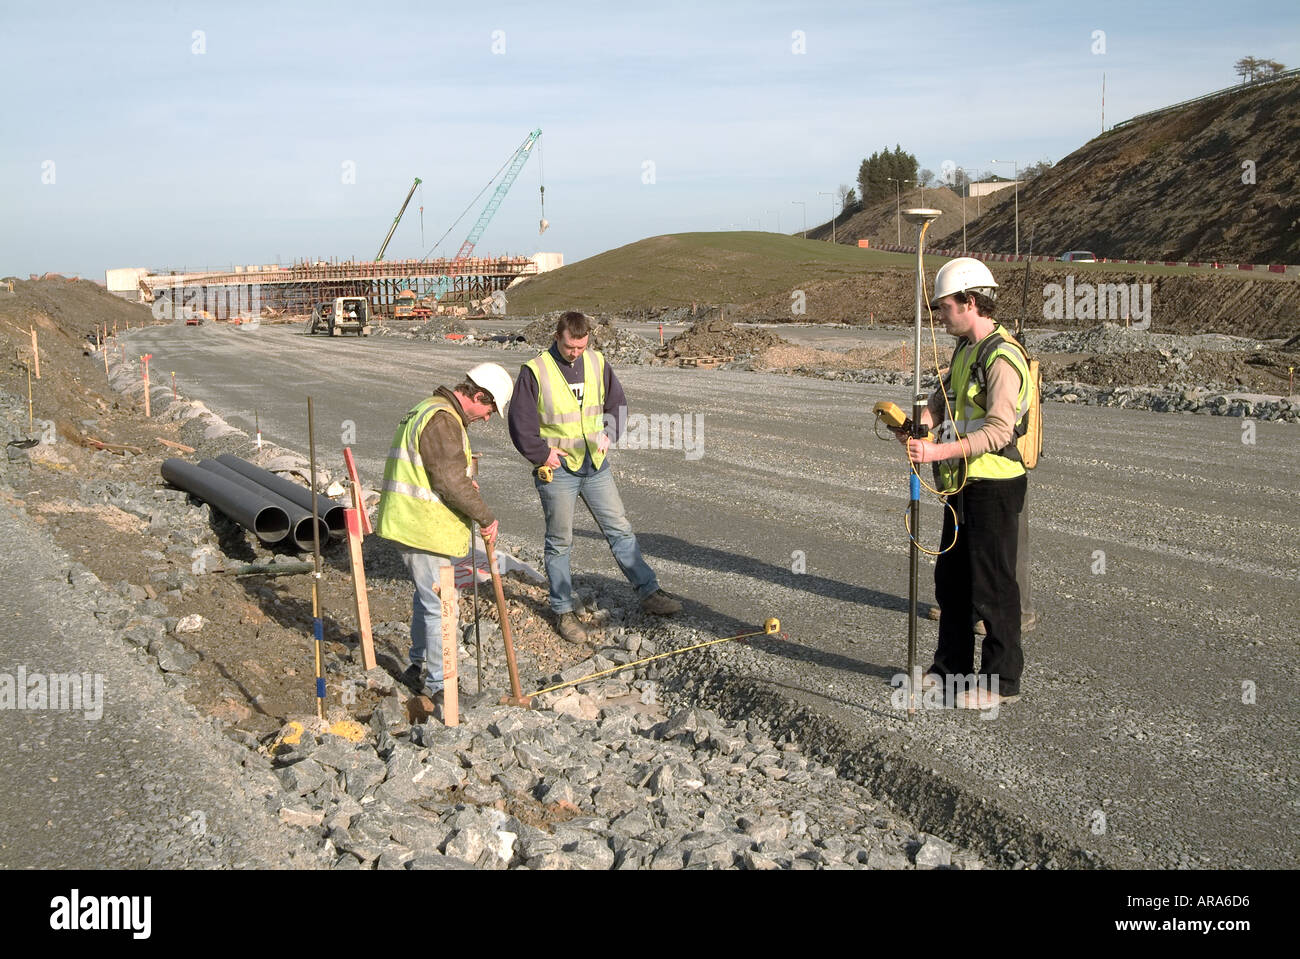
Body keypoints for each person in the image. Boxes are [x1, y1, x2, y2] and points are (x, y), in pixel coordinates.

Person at [900, 258, 1033, 710]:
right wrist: (920, 424)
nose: (939, 317)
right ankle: (950, 669)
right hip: (961, 484)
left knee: (992, 585)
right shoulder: (964, 351)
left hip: (994, 486)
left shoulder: (1002, 357)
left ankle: (1000, 681)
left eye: (944, 307)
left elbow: (999, 430)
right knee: (952, 582)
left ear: (969, 302)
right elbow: (941, 402)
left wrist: (936, 452)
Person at [509, 311, 680, 643]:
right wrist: (543, 454)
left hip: (596, 464)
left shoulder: (597, 362)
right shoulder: (535, 371)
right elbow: (520, 423)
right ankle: (562, 611)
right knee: (560, 542)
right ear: (557, 336)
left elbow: (617, 404)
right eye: (571, 346)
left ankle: (649, 593)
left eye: (581, 346)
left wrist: (609, 433)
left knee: (620, 529)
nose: (576, 352)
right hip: (558, 470)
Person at [375, 363, 514, 709]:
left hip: (415, 525)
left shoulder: (429, 410)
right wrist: (484, 514)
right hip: (421, 526)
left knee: (429, 599)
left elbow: (443, 472)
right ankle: (440, 688)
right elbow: (448, 482)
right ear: (478, 396)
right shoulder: (442, 420)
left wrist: (464, 484)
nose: (487, 419)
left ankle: (418, 668)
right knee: (440, 605)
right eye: (489, 410)